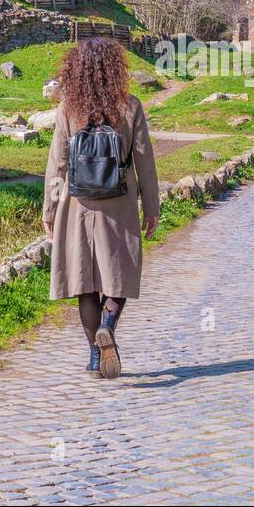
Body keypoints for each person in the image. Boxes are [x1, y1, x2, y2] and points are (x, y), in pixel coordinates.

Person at [43, 38, 160, 379]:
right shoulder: (131, 107)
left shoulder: (68, 108)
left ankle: (96, 356)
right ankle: (108, 322)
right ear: (115, 68)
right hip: (120, 201)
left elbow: (57, 164)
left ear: (76, 70)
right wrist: (151, 207)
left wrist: (50, 208)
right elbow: (145, 161)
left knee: (83, 281)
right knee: (120, 273)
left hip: (76, 203)